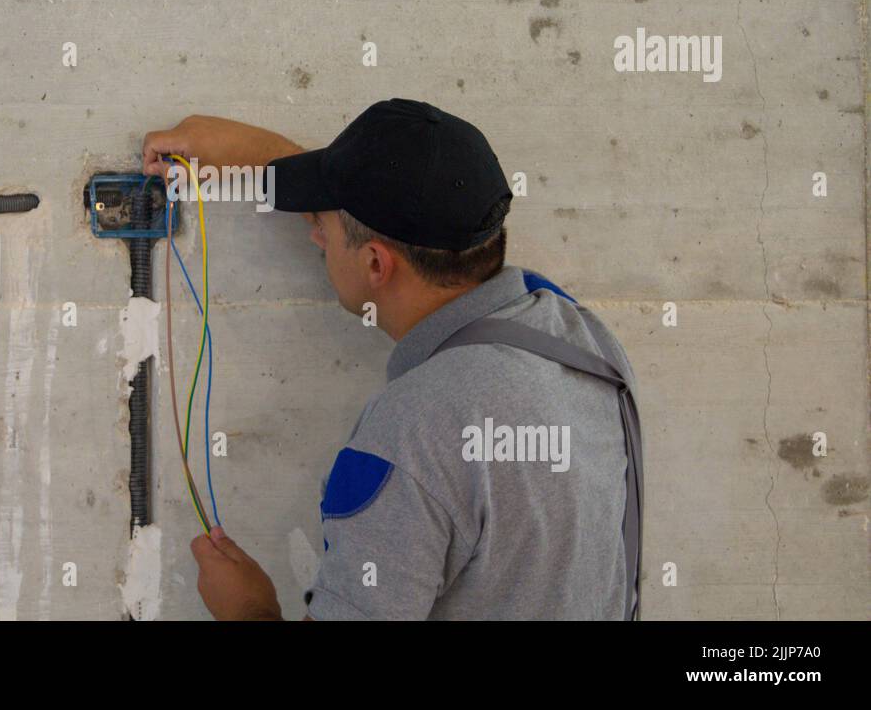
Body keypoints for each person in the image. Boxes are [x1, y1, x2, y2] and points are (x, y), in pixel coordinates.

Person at [141, 98, 643, 621]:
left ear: (377, 264)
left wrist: (247, 608)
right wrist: (264, 161)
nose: (315, 233)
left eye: (325, 228)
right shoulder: (578, 336)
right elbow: (404, 204)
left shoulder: (411, 437)